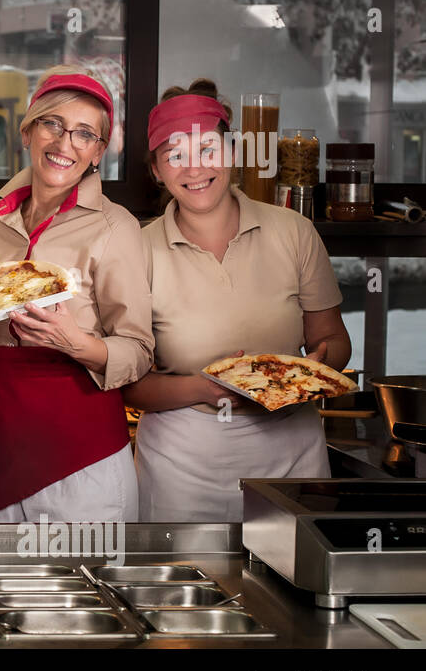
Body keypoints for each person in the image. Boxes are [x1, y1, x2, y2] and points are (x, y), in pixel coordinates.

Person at [122, 80, 350, 522]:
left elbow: (332, 338)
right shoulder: (135, 249)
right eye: (175, 155)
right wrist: (209, 387)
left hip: (290, 454)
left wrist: (315, 369)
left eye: (208, 149)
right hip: (181, 466)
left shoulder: (294, 232)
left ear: (231, 151)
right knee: (183, 584)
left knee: (291, 584)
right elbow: (128, 384)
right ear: (156, 169)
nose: (195, 168)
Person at [0, 66, 153, 523]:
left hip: (84, 453)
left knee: (84, 589)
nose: (65, 144)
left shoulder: (114, 226)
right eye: (52, 124)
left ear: (99, 151)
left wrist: (73, 341)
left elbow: (139, 351)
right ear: (28, 131)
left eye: (84, 134)